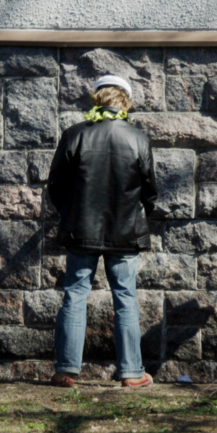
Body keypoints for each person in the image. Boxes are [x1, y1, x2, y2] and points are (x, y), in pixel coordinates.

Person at [48, 75, 158, 389]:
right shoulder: (137, 138)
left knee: (75, 296)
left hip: (80, 229)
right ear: (126, 101)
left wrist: (70, 212)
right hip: (125, 232)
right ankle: (132, 373)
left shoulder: (74, 134)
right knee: (126, 298)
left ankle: (65, 371)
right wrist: (133, 216)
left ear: (97, 98)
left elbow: (56, 186)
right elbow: (150, 192)